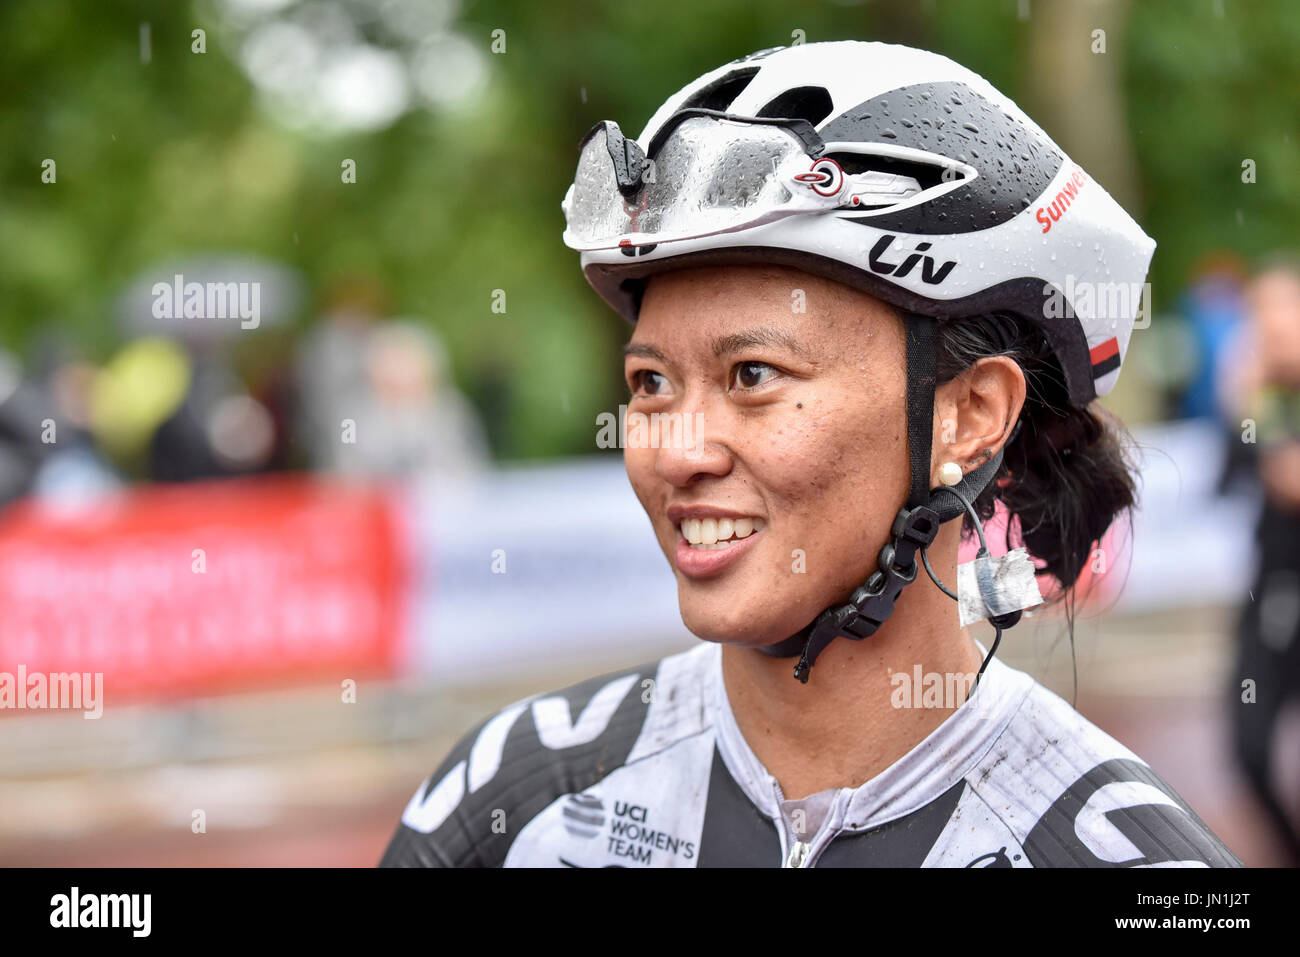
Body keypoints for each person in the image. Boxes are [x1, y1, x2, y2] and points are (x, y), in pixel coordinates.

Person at [381, 40, 1240, 867]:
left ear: (972, 413)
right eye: (649, 384)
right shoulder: (516, 803)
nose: (676, 454)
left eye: (753, 374)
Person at [1223, 257, 1300, 864]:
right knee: (1247, 748)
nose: (1269, 328)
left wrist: (1253, 398)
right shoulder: (1265, 400)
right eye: (1259, 314)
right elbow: (1241, 470)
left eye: (1281, 311)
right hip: (1271, 590)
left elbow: (1288, 479)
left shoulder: (1267, 402)